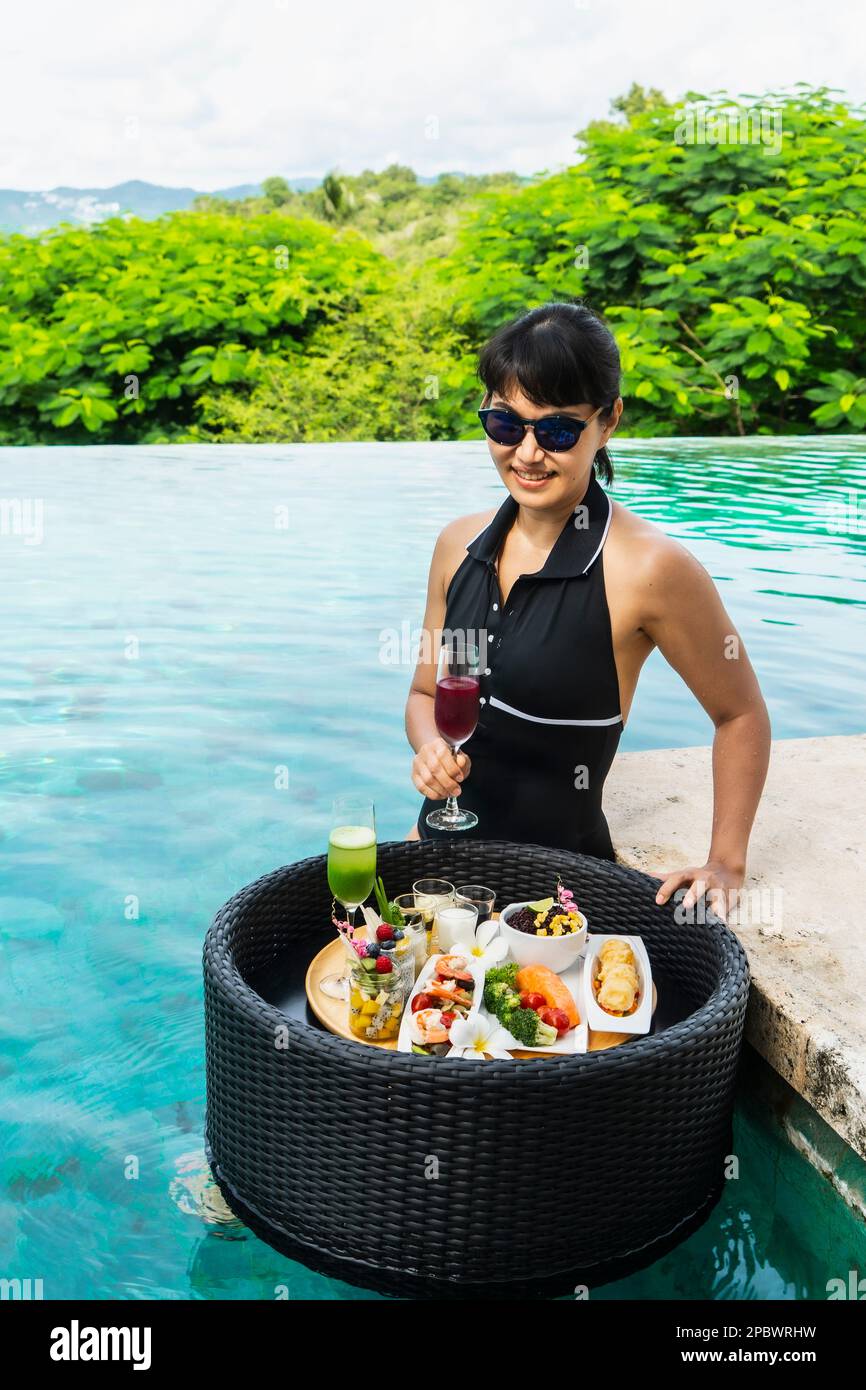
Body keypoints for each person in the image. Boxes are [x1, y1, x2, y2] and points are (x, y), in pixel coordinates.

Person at [404, 301, 771, 920]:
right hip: (435, 865)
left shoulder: (648, 569)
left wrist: (725, 862)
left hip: (559, 898)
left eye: (556, 431)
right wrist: (430, 753)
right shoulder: (456, 547)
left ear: (608, 422)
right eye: (504, 424)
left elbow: (740, 714)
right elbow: (422, 697)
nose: (526, 453)